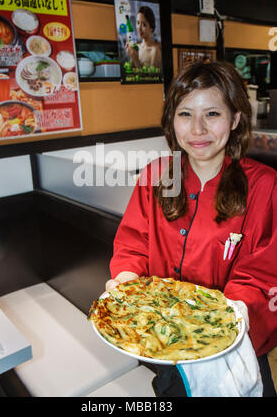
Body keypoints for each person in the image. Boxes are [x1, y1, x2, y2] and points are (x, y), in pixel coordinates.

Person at [105, 61, 277, 397]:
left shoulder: (265, 186)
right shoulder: (157, 174)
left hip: (234, 357)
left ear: (236, 118)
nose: (197, 129)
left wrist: (208, 326)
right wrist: (126, 279)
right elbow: (133, 245)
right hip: (166, 350)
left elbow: (264, 275)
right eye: (185, 114)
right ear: (171, 119)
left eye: (212, 114)